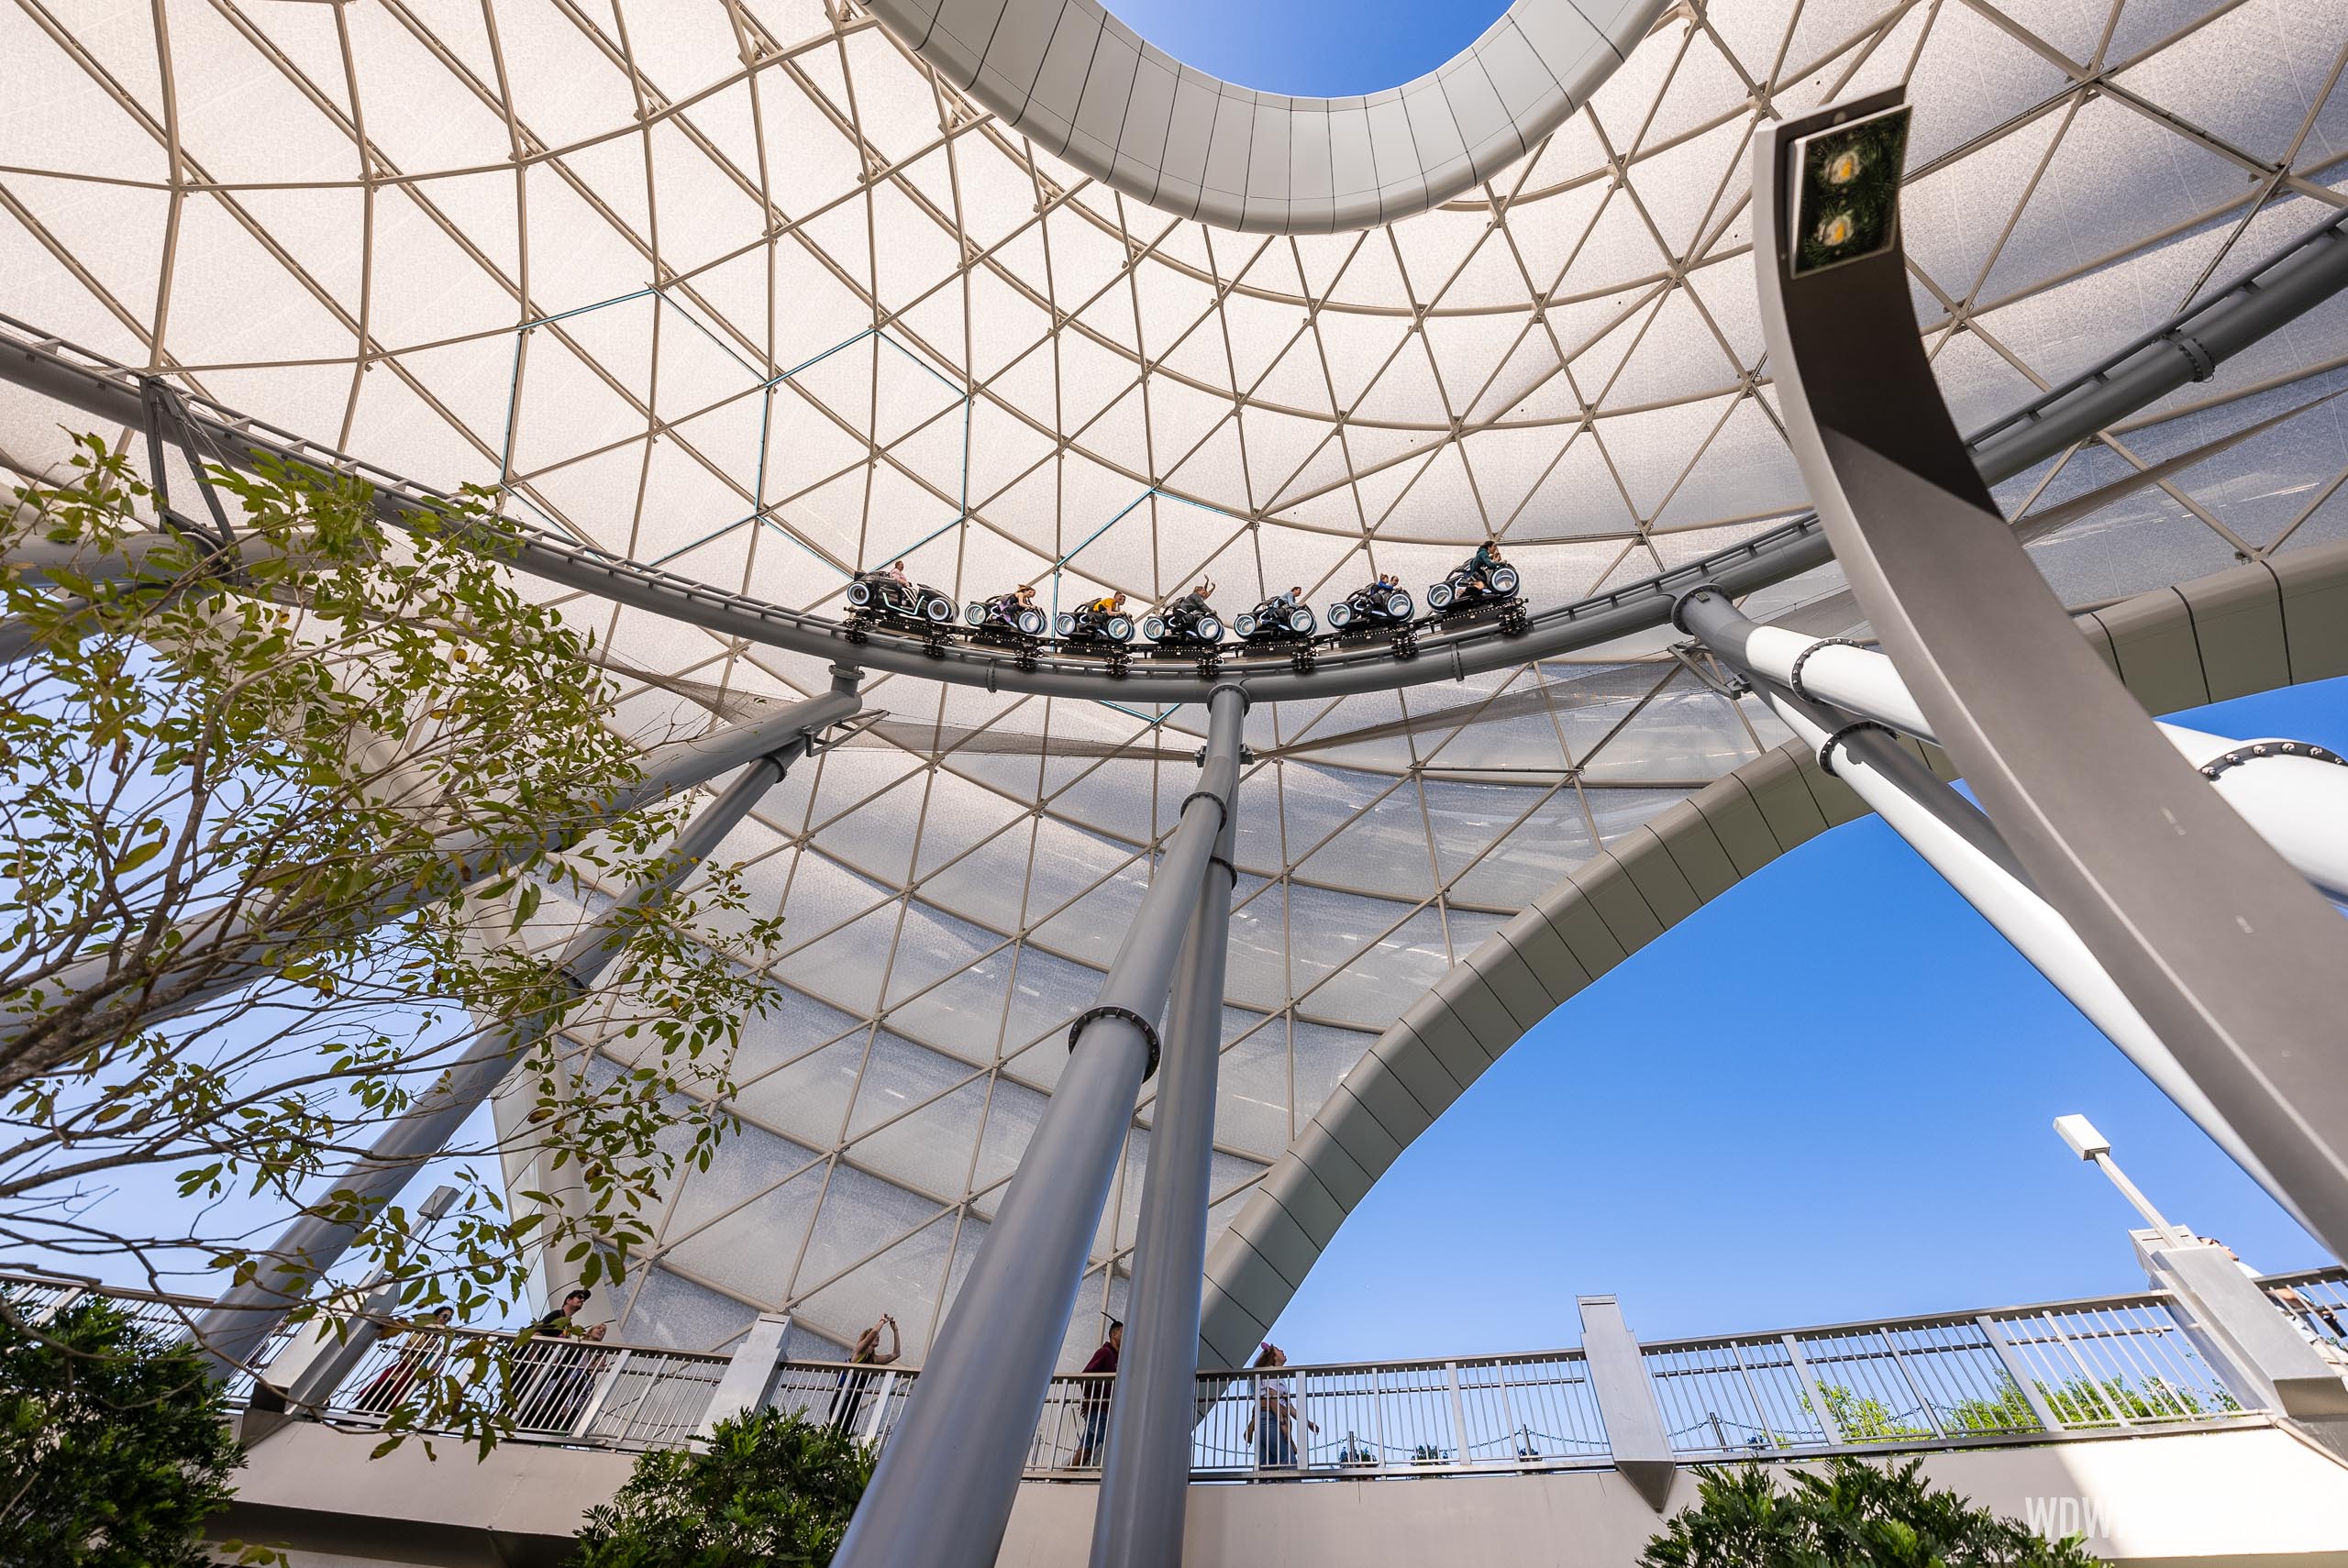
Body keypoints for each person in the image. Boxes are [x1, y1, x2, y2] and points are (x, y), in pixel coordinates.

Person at [352, 1305, 455, 1417]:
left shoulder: (438, 1345)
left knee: (390, 1405)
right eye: (444, 1316)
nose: (445, 1320)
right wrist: (423, 1348)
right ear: (436, 1316)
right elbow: (405, 1349)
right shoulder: (421, 1333)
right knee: (374, 1399)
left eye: (448, 1318)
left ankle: (376, 1424)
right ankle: (352, 1419)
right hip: (400, 1374)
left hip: (411, 1380)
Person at [509, 1286, 591, 1423]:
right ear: (568, 1300)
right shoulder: (557, 1315)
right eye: (579, 1297)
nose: (582, 1300)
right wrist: (534, 1364)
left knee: (525, 1398)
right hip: (524, 1362)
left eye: (584, 1299)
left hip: (538, 1365)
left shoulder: (567, 1325)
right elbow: (537, 1334)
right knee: (515, 1395)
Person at [1242, 1342, 1315, 1468]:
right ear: (1274, 1357)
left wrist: (1307, 1423)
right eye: (1278, 1350)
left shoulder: (1277, 1377)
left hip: (1266, 1418)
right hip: (1270, 1418)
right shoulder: (1271, 1373)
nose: (1282, 1350)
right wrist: (1282, 1423)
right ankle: (1295, 1487)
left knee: (1265, 1466)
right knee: (1288, 1461)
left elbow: (1289, 1408)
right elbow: (1272, 1398)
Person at [829, 1312, 901, 1437]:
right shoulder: (859, 1351)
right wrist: (882, 1321)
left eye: (878, 1336)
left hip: (855, 1399)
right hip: (844, 1396)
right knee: (836, 1430)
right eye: (874, 1336)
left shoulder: (874, 1360)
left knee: (846, 1432)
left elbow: (896, 1354)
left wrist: (895, 1331)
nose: (877, 1337)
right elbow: (873, 1333)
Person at [1071, 1319, 1122, 1467]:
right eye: (1123, 1333)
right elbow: (1087, 1374)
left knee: (1086, 1450)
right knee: (1112, 1441)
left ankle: (1064, 1479)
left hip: (1101, 1409)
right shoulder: (1105, 1353)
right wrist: (1090, 1400)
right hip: (1098, 1410)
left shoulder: (1116, 1358)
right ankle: (1120, 1474)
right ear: (1114, 1334)